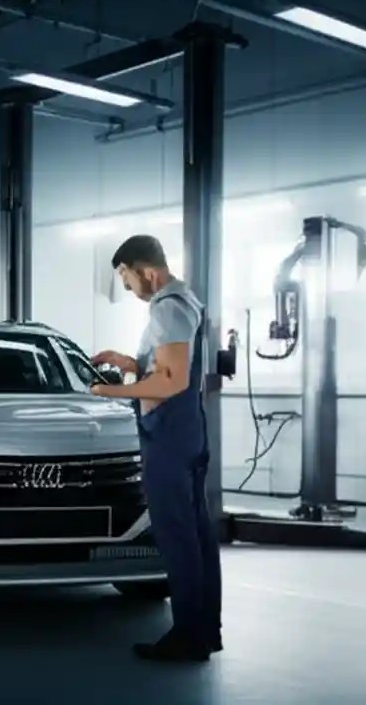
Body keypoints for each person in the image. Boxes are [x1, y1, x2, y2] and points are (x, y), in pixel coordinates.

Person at [89, 234, 222, 663]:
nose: (128, 289)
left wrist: (108, 391)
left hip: (168, 434)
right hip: (186, 429)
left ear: (145, 271)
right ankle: (204, 631)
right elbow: (169, 366)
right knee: (196, 532)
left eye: (126, 279)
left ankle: (188, 636)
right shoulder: (187, 301)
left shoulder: (167, 306)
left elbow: (171, 381)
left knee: (178, 535)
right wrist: (130, 363)